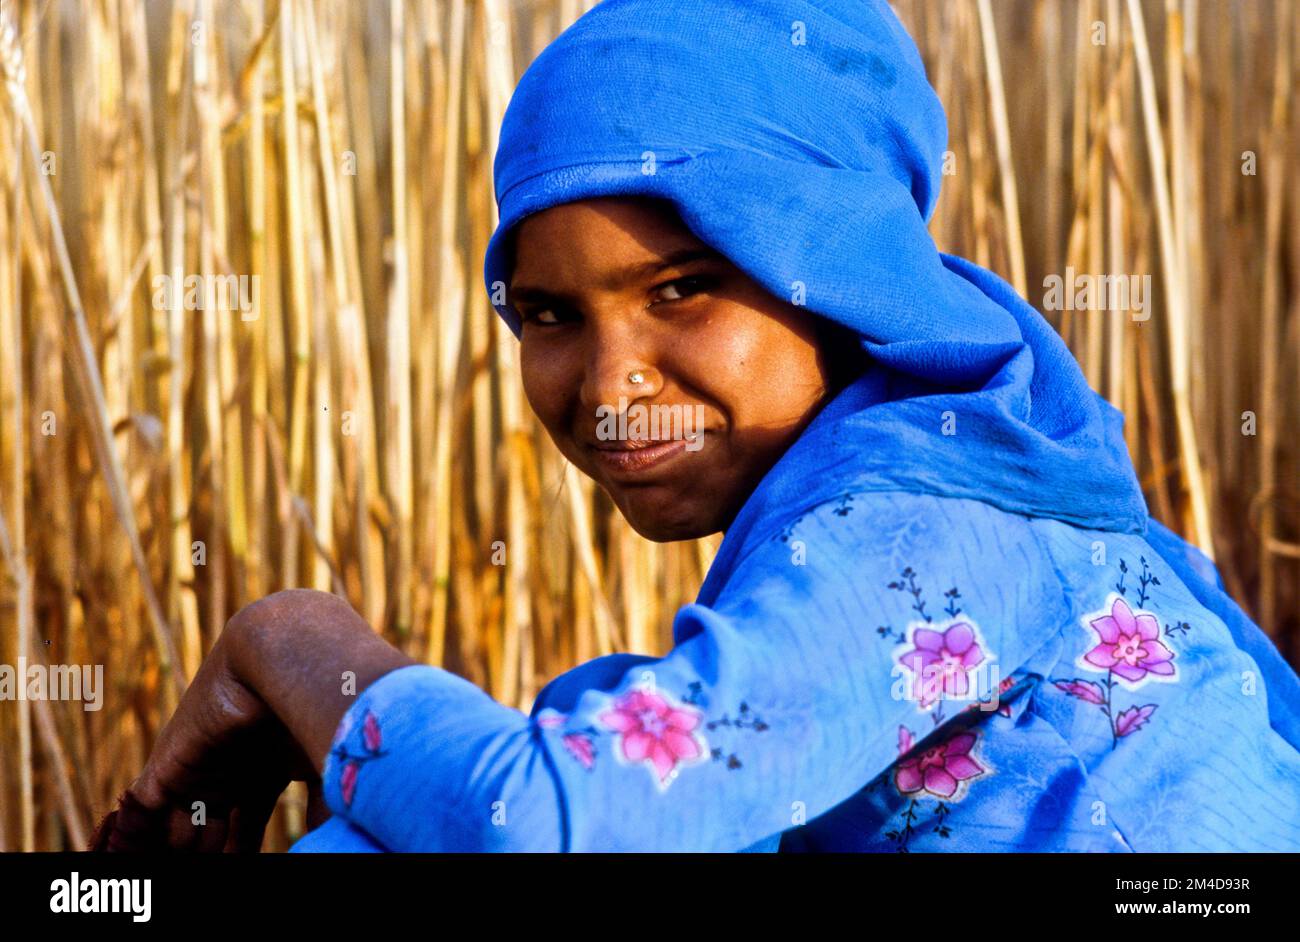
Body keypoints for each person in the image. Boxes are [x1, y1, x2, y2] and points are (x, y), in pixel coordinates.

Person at [95, 0, 1300, 853]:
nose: (610, 383)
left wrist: (294, 644)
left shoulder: (922, 533)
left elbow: (556, 827)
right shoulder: (944, 467)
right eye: (552, 314)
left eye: (680, 290)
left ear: (842, 275)